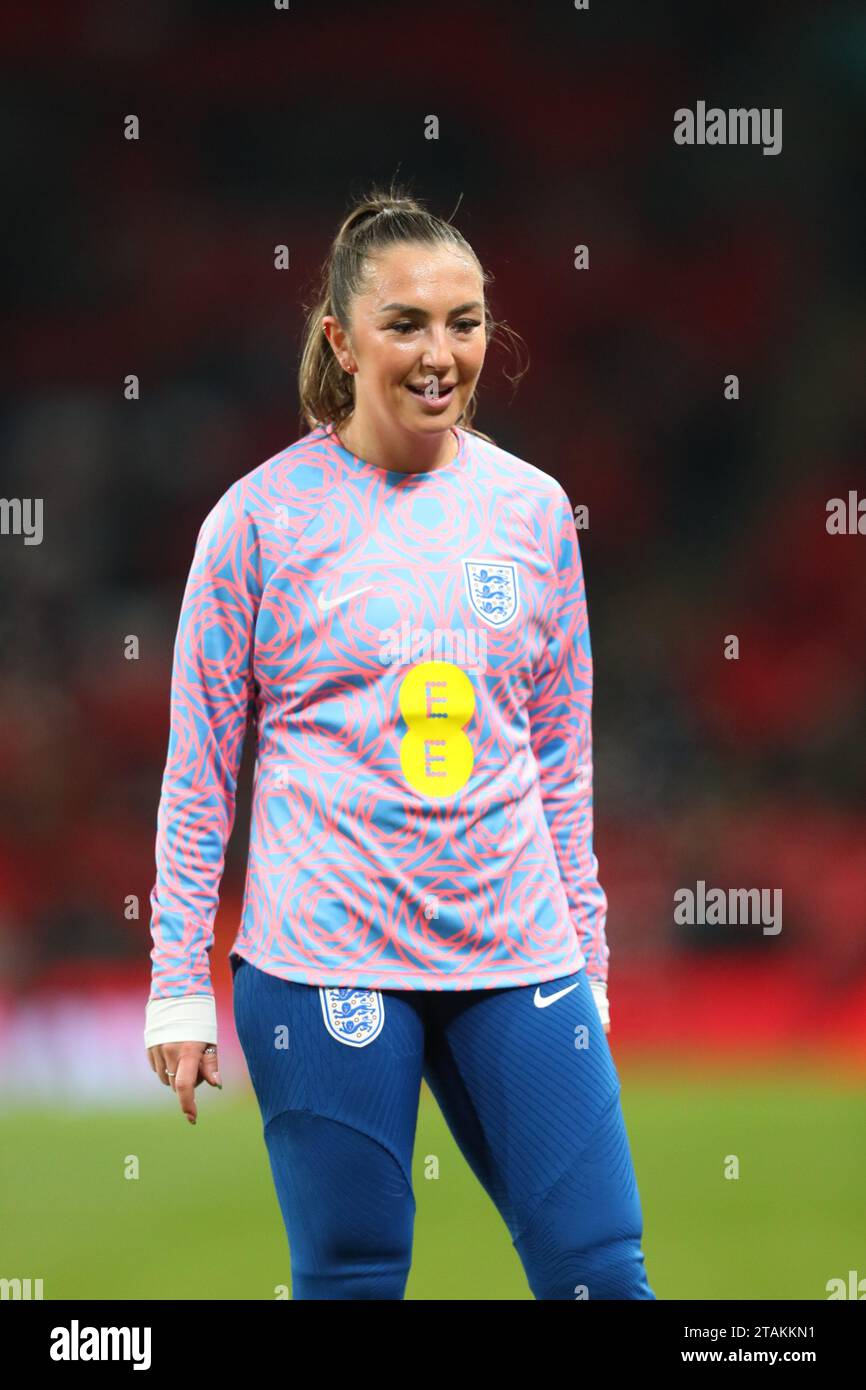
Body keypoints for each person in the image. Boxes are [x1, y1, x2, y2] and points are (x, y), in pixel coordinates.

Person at [144, 182, 655, 1301]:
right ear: (340, 337)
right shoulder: (257, 522)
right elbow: (199, 774)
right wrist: (176, 978)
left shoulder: (532, 513)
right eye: (405, 323)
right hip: (322, 958)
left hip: (516, 955)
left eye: (463, 322)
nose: (440, 354)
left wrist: (590, 969)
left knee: (600, 1273)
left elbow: (561, 767)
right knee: (355, 1279)